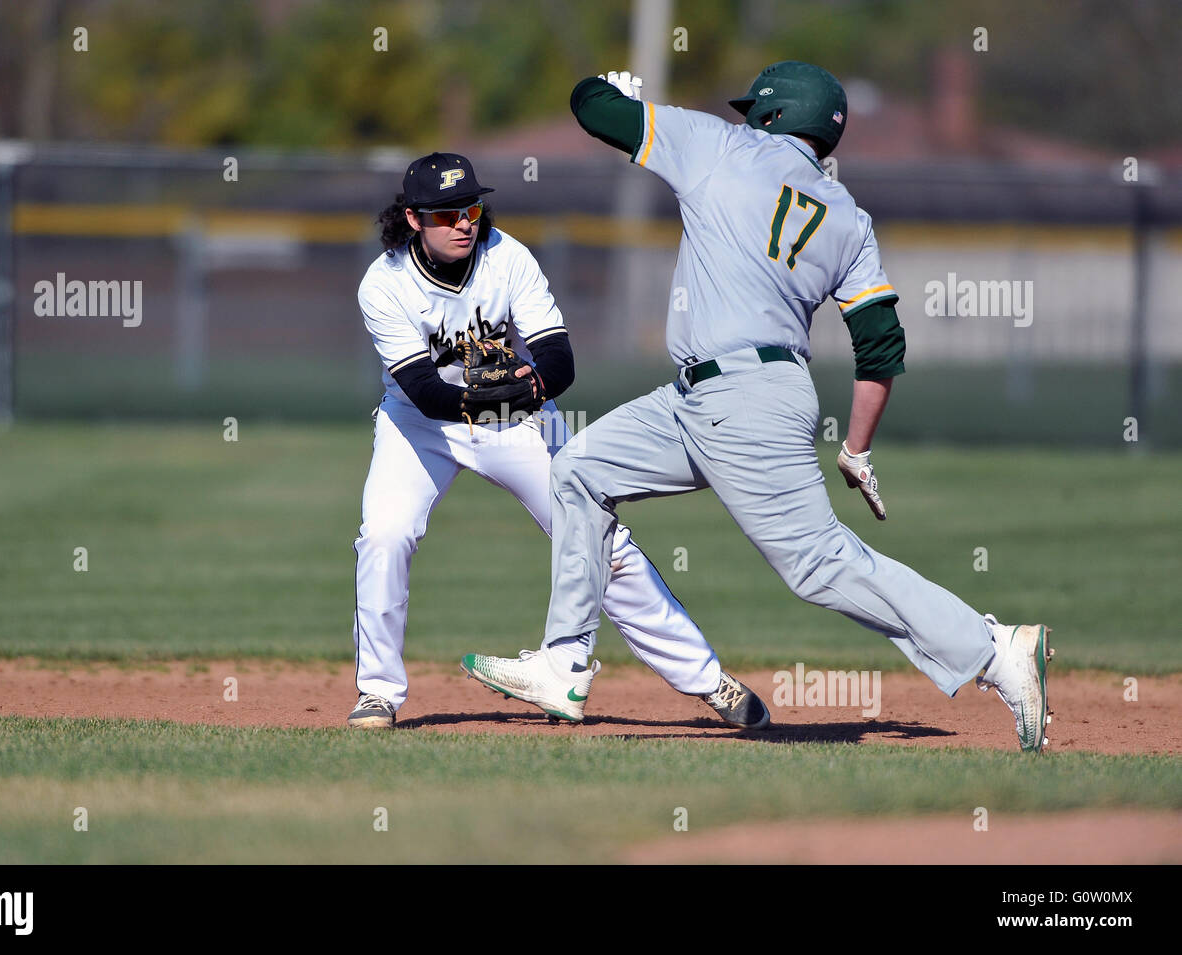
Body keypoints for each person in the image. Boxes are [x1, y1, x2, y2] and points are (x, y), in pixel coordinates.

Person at [461, 66, 1054, 752]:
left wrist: (609, 86)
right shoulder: (848, 217)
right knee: (580, 470)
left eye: (755, 112)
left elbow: (593, 111)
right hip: (710, 397)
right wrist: (857, 448)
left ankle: (995, 650)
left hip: (738, 403)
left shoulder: (719, 147)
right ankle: (563, 663)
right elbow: (881, 345)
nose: (747, 119)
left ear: (771, 117)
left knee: (820, 563)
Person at [349, 151, 769, 730]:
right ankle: (378, 692)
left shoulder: (507, 256)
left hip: (517, 423)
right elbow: (426, 391)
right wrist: (514, 388)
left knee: (600, 541)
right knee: (384, 536)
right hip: (419, 425)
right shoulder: (385, 282)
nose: (465, 221)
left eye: (471, 207)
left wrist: (529, 388)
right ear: (414, 219)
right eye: (447, 214)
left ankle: (709, 681)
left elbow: (557, 357)